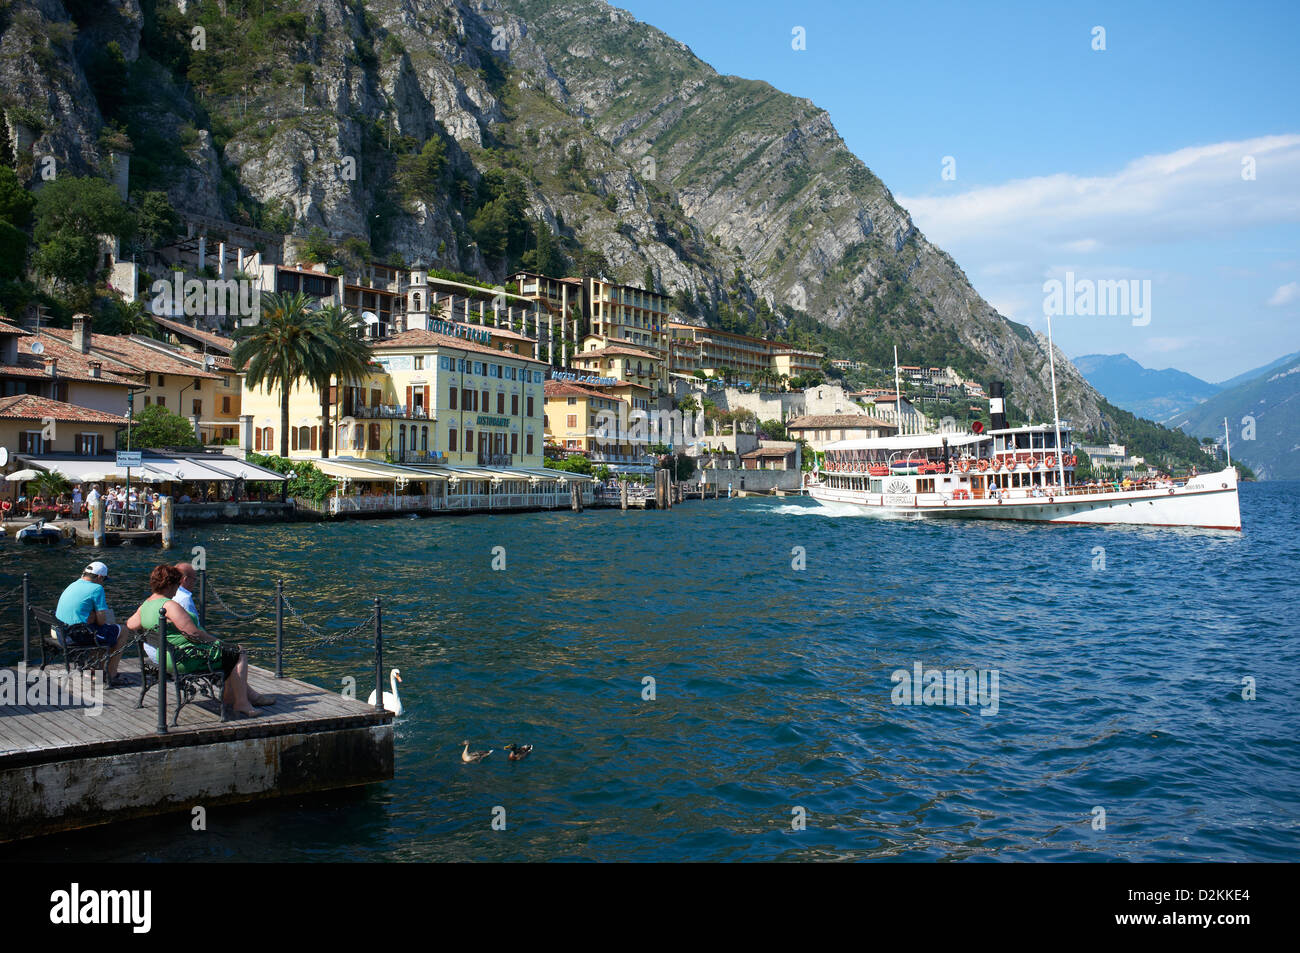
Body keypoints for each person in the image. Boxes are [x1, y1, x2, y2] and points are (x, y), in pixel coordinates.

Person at [126, 565, 273, 716]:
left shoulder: (146, 604)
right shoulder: (169, 605)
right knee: (238, 651)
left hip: (162, 656)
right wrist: (218, 642)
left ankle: (231, 697)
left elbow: (130, 624)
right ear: (170, 585)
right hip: (183, 658)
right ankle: (241, 703)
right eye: (177, 585)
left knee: (229, 654)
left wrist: (157, 630)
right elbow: (194, 634)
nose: (177, 589)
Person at [55, 561, 125, 684]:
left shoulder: (73, 584)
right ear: (100, 577)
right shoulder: (97, 588)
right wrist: (94, 617)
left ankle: (94, 671)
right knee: (123, 630)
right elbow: (102, 621)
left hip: (62, 634)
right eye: (104, 580)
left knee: (100, 632)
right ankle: (111, 675)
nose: (103, 583)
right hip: (76, 636)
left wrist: (93, 617)